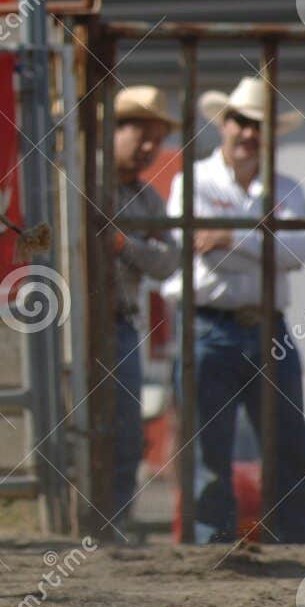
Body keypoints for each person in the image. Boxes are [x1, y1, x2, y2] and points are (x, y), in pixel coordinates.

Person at [163, 76, 305, 544]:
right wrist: (262, 242)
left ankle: (296, 541)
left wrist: (232, 237)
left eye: (258, 125)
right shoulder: (192, 179)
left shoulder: (284, 187)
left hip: (258, 324)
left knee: (287, 442)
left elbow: (298, 251)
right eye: (242, 123)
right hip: (212, 323)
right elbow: (188, 243)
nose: (249, 134)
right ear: (224, 124)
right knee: (208, 446)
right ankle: (213, 541)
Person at [108, 86, 179, 530]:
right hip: (66, 327)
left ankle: (112, 524)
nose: (150, 148)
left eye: (157, 139)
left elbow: (168, 260)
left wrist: (120, 243)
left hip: (117, 324)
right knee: (76, 429)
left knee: (124, 435)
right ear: (115, 130)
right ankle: (82, 523)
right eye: (142, 135)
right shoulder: (76, 179)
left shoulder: (146, 197)